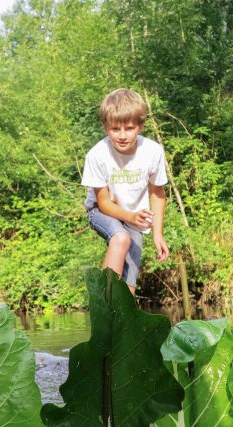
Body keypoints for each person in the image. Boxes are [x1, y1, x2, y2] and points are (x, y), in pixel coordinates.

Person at [81, 88, 170, 293]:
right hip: (101, 211)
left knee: (130, 280)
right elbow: (103, 203)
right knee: (121, 238)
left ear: (140, 126)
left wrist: (158, 234)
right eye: (115, 129)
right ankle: (103, 302)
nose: (122, 136)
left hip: (134, 217)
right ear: (105, 127)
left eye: (129, 128)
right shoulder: (97, 155)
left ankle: (124, 318)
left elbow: (157, 193)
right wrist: (131, 215)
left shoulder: (153, 151)